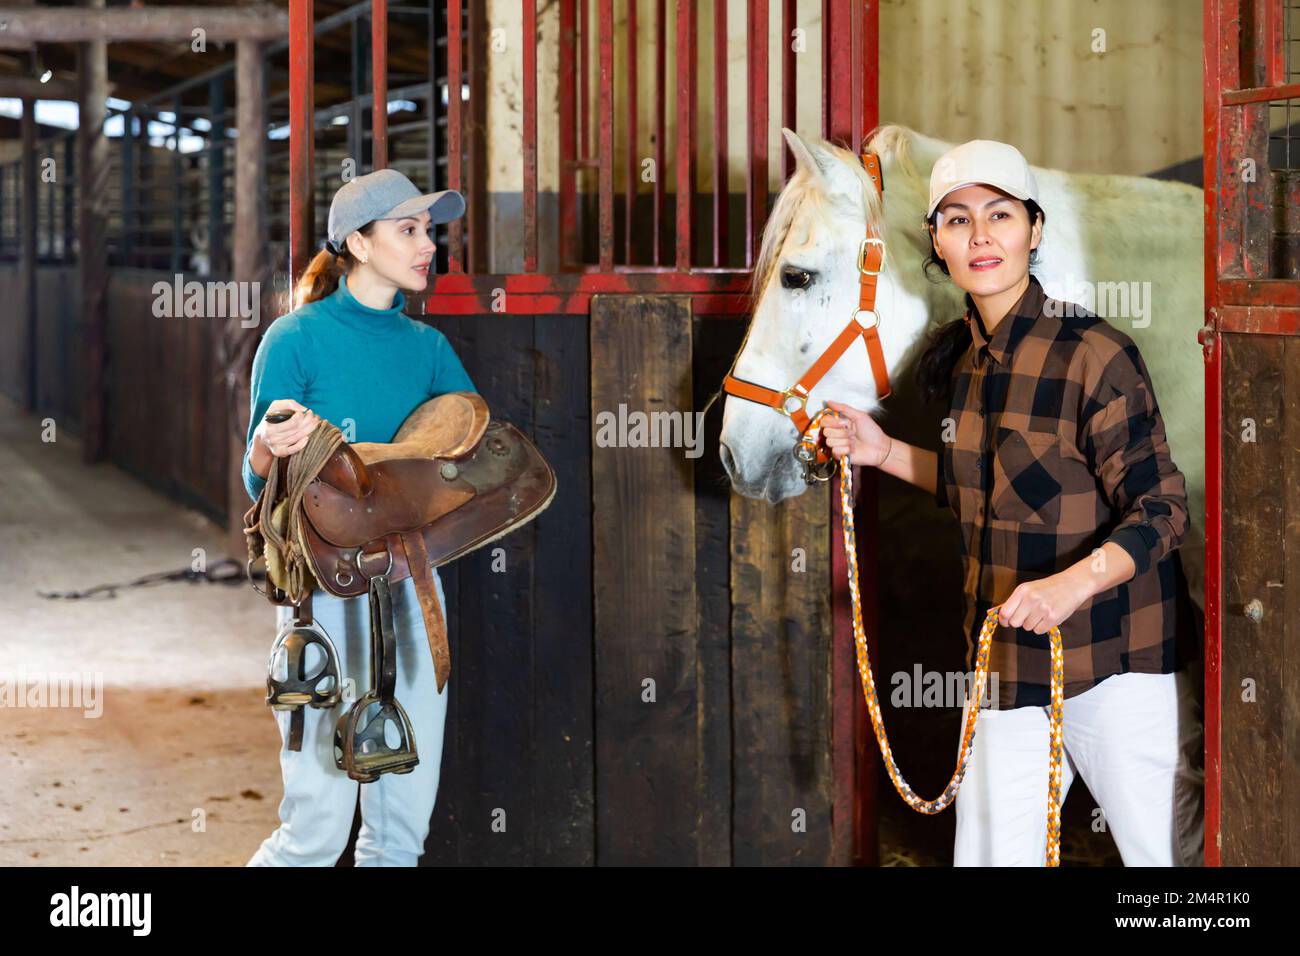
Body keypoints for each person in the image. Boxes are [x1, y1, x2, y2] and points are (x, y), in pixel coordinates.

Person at [821, 139, 1204, 867]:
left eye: (999, 215)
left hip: (1122, 658)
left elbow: (1162, 508)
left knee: (1164, 865)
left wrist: (1071, 585)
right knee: (991, 857)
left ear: (1033, 228)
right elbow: (984, 489)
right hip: (1007, 660)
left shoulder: (1095, 351)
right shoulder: (964, 362)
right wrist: (883, 452)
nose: (981, 235)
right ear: (936, 242)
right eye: (958, 220)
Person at [242, 168, 475, 866]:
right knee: (314, 831)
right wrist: (265, 445)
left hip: (411, 581)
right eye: (407, 230)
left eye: (428, 229)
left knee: (400, 833)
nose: (426, 244)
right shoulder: (295, 338)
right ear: (358, 244)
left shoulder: (430, 350)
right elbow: (253, 473)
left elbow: (468, 457)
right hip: (321, 588)